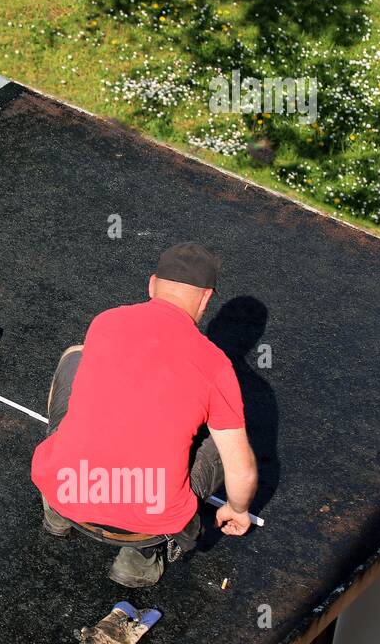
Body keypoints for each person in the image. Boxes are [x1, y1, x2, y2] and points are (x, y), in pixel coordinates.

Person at [30, 242, 259, 587]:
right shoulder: (214, 365)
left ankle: (56, 513)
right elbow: (242, 469)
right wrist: (237, 510)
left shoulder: (106, 322)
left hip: (68, 490)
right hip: (146, 523)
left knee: (75, 357)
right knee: (230, 440)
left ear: (152, 284)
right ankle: (137, 560)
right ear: (206, 298)